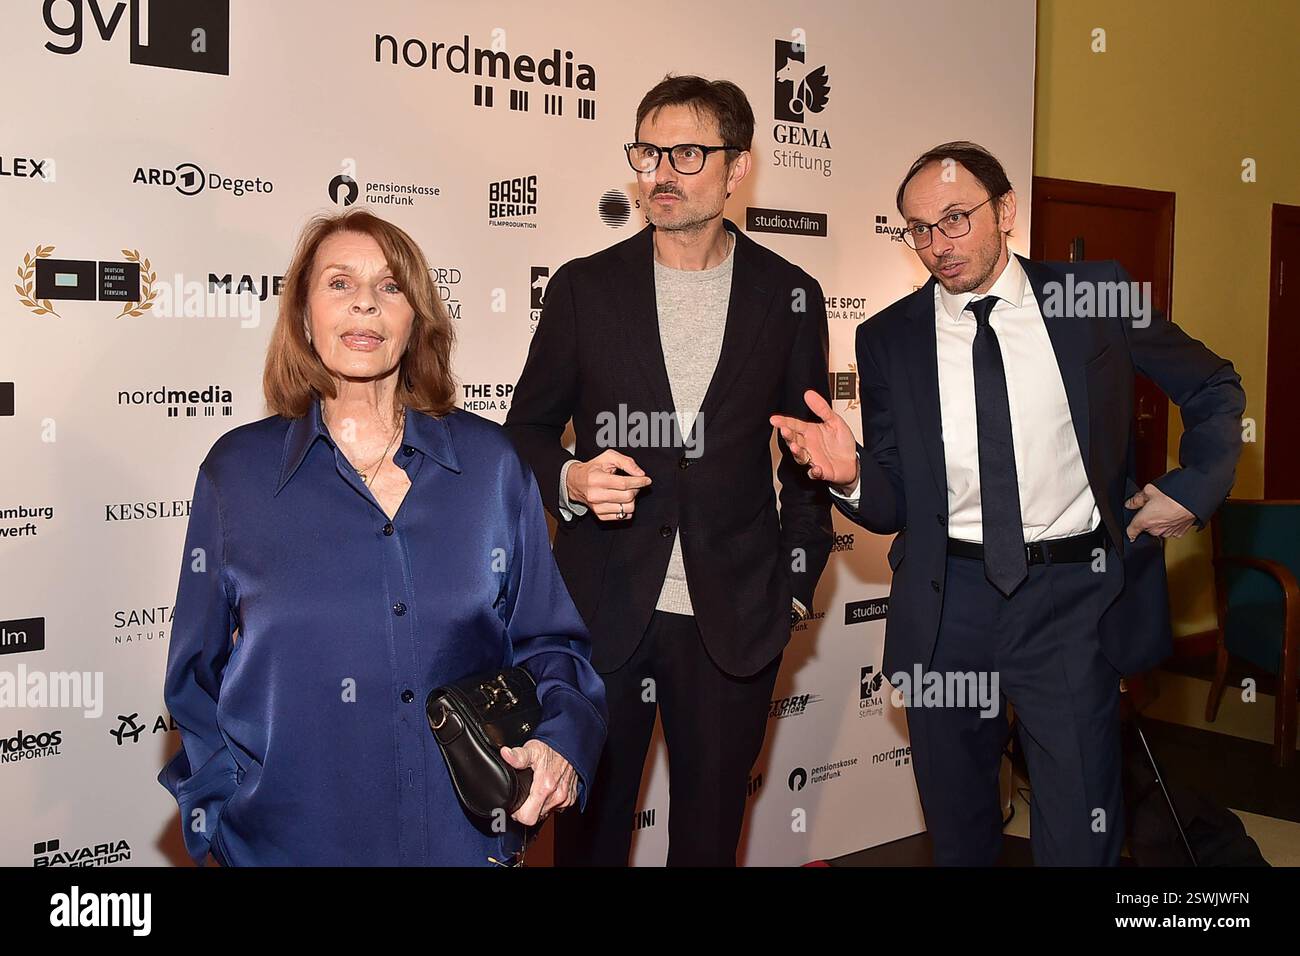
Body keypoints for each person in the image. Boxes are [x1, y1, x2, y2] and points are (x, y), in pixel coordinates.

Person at [772, 141, 1245, 866]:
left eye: (955, 220)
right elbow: (897, 498)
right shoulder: (889, 338)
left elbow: (1214, 388)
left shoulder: (1093, 297)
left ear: (1006, 212)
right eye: (919, 229)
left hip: (1071, 600)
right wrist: (850, 476)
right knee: (959, 829)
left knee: (1081, 829)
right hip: (949, 605)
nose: (937, 245)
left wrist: (1191, 488)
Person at [157, 208, 607, 866]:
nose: (365, 300)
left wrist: (560, 742)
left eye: (390, 286)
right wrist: (225, 813)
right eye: (339, 283)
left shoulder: (490, 468)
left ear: (415, 320)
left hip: (462, 842)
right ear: (304, 317)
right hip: (289, 848)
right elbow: (194, 677)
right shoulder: (237, 476)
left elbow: (551, 644)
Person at [504, 75, 833, 866]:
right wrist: (571, 480)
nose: (663, 172)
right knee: (586, 839)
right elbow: (527, 430)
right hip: (602, 612)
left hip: (734, 621)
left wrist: (790, 589)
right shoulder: (587, 286)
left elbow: (810, 461)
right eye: (649, 151)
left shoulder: (790, 295)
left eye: (688, 152)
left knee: (709, 843)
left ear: (738, 166)